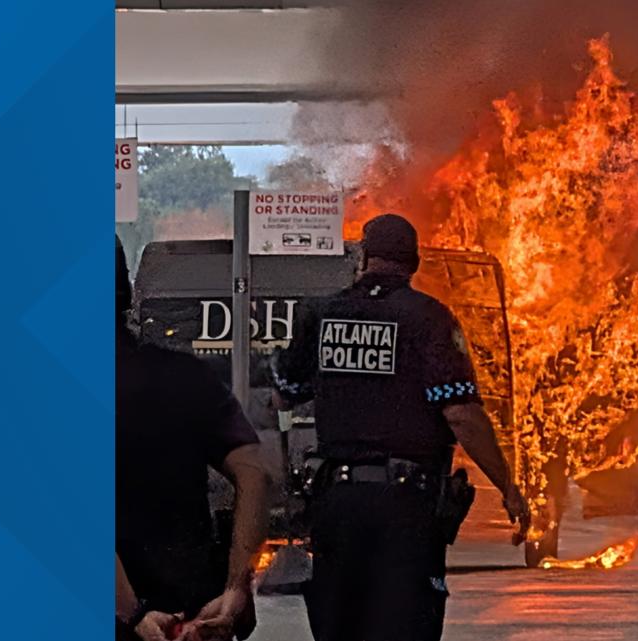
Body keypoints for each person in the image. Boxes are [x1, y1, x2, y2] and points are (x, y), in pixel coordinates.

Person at [272, 213, 528, 641]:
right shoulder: (428, 319)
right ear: (414, 263)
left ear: (363, 258)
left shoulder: (319, 315)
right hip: (404, 509)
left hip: (336, 503)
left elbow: (283, 393)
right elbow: (460, 413)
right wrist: (508, 487)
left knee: (341, 625)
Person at [116, 238, 271, 641]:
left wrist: (133, 613)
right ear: (128, 296)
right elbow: (255, 473)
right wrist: (236, 587)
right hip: (189, 614)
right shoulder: (187, 376)